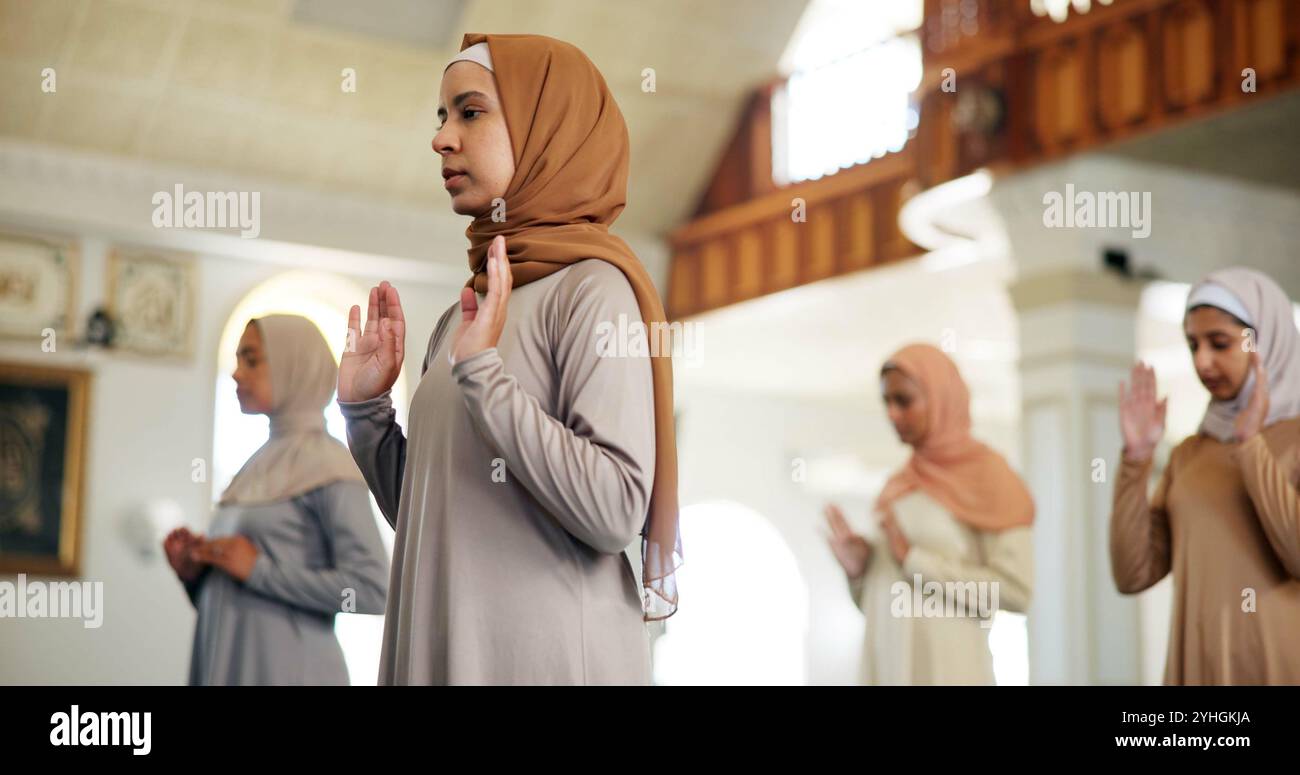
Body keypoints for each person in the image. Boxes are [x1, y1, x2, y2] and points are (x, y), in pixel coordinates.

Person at [337, 34, 680, 685]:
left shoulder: (594, 289)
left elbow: (614, 511)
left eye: (469, 112)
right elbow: (433, 508)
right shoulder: (469, 308)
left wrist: (485, 378)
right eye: (441, 117)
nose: (442, 138)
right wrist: (365, 412)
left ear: (547, 127)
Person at [163, 315, 389, 685]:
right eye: (237, 360)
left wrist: (259, 570)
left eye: (251, 360)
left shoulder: (329, 463)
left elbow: (372, 589)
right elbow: (242, 600)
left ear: (294, 364)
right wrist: (195, 576)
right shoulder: (256, 464)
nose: (237, 373)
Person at [1111, 267, 1300, 684]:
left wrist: (1251, 444)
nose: (1202, 361)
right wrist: (1135, 460)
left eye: (1219, 343)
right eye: (1193, 344)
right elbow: (1132, 574)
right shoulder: (1189, 454)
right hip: (1197, 670)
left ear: (1264, 341)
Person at [825, 343, 1034, 684]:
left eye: (903, 400)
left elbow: (1014, 594)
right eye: (886, 402)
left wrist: (915, 561)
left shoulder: (990, 477)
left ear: (941, 398)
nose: (892, 413)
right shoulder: (897, 487)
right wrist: (860, 572)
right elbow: (881, 607)